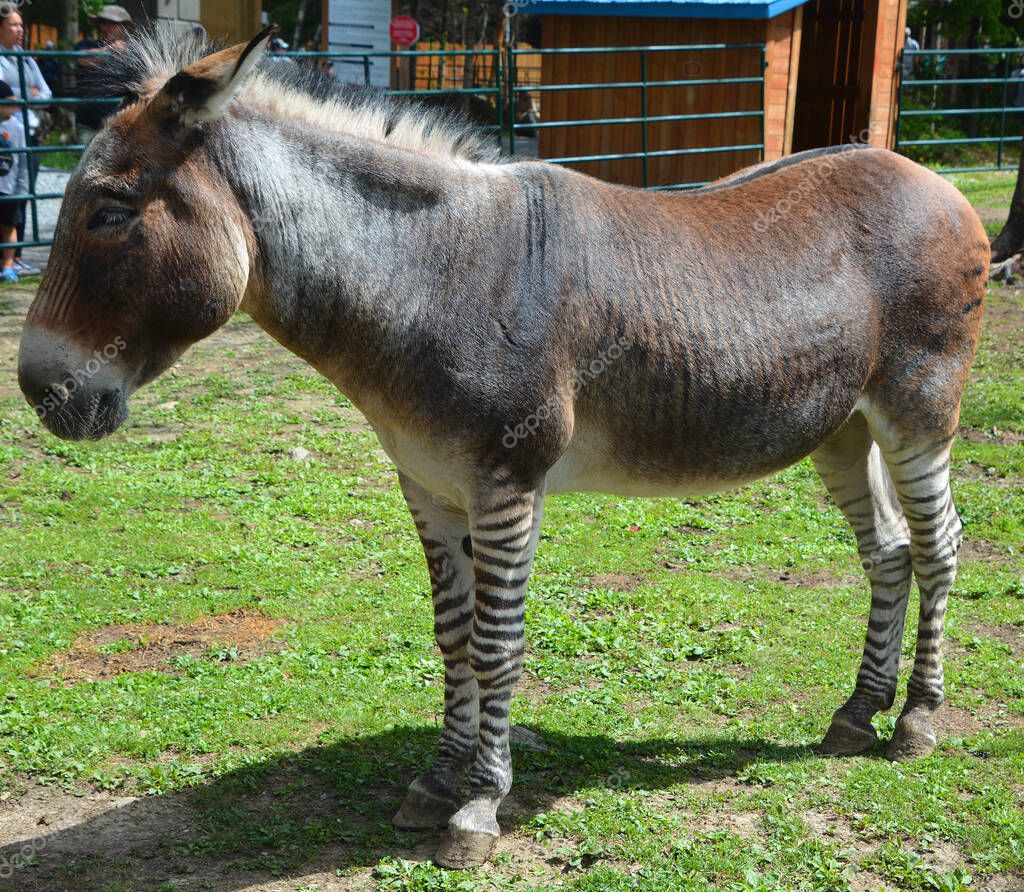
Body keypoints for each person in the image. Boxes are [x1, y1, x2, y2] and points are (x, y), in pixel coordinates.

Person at [0, 6, 50, 276]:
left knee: (23, 192)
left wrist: (18, 97)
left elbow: (46, 92)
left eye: (21, 24)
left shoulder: (27, 59)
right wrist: (26, 94)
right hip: (5, 134)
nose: (19, 30)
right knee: (5, 194)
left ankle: (15, 255)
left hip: (30, 132)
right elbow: (3, 96)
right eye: (13, 25)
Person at [75, 5, 133, 145]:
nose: (105, 27)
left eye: (112, 23)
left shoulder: (133, 53)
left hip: (119, 124)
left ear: (124, 28)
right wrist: (110, 50)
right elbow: (82, 58)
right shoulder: (87, 45)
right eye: (103, 22)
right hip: (88, 122)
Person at [0, 80, 27, 283]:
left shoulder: (16, 127)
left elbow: (22, 160)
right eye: (10, 102)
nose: (15, 106)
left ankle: (8, 266)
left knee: (9, 227)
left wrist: (22, 187)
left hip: (8, 188)